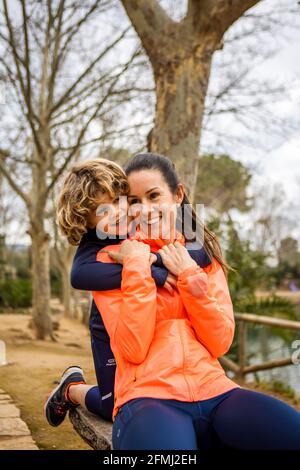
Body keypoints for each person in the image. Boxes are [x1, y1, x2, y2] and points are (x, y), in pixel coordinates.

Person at [48, 153, 300, 449]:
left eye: (154, 196)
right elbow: (134, 348)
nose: (142, 210)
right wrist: (139, 265)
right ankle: (73, 390)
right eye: (133, 200)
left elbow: (219, 344)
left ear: (178, 195)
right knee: (109, 402)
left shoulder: (201, 257)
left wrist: (189, 275)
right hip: (147, 396)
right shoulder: (111, 257)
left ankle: (75, 389)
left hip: (216, 389)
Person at [44, 157, 210, 426]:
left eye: (120, 201)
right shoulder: (95, 241)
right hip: (107, 330)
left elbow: (200, 252)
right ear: (86, 222)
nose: (117, 213)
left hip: (145, 325)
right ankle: (72, 389)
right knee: (114, 406)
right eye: (102, 211)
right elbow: (79, 275)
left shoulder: (145, 219)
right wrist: (152, 271)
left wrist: (155, 261)